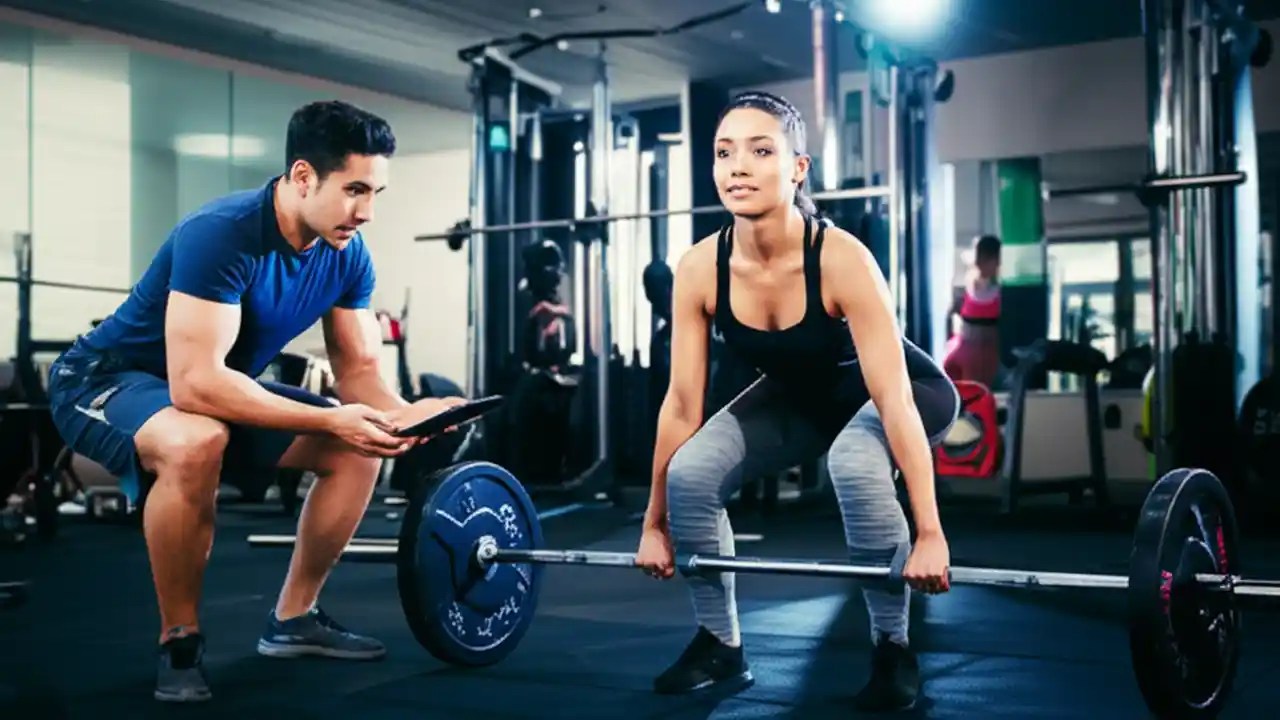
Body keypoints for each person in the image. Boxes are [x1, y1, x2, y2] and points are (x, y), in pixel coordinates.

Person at [46, 100, 465, 703]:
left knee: (358, 447)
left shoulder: (347, 254)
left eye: (375, 193)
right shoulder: (222, 232)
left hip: (210, 385)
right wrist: (332, 417)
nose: (367, 212)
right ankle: (180, 640)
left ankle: (294, 619)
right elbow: (194, 384)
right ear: (303, 176)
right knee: (197, 440)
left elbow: (360, 373)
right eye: (354, 190)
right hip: (104, 379)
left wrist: (406, 414)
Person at [633, 91, 959, 713]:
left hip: (907, 395)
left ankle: (893, 647)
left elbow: (892, 396)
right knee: (692, 472)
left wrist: (930, 533)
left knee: (854, 462)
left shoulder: (841, 258)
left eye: (761, 151)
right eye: (724, 152)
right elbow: (681, 404)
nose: (738, 166)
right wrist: (654, 522)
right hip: (803, 402)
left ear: (798, 167)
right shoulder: (700, 267)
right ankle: (720, 644)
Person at [942, 234, 1002, 388]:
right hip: (967, 351)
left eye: (987, 259)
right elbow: (950, 315)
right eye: (980, 259)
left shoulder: (1001, 291)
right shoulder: (963, 289)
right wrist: (951, 342)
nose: (981, 264)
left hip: (989, 355)